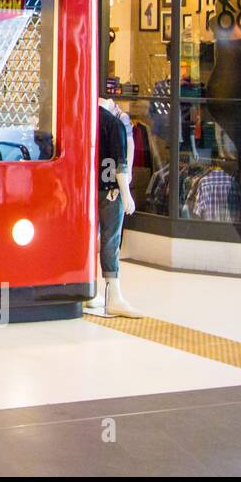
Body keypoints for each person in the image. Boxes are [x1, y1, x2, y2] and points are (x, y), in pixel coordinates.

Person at [88, 100, 143, 318]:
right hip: (111, 191)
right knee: (111, 240)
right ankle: (114, 296)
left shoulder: (86, 119)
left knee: (91, 239)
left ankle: (89, 290)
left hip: (89, 190)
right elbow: (121, 164)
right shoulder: (115, 123)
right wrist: (126, 193)